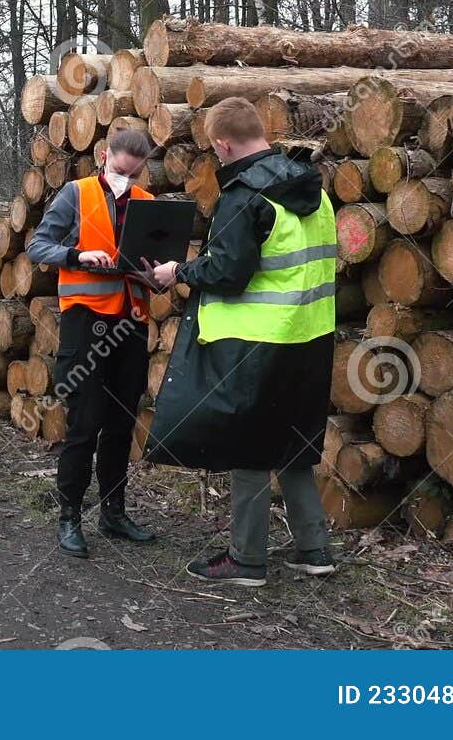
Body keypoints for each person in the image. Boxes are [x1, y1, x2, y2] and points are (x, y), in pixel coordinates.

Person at [145, 96, 339, 586]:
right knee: (293, 443)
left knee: (249, 445)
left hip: (254, 340)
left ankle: (246, 559)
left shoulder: (245, 194)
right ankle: (315, 549)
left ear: (222, 144)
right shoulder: (312, 189)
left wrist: (178, 271)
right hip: (310, 337)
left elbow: (228, 273)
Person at [26, 128, 161, 558]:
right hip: (86, 322)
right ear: (106, 156)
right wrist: (77, 255)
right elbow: (37, 247)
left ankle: (113, 512)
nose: (128, 178)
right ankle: (69, 516)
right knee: (84, 422)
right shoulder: (75, 193)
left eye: (135, 173)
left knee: (122, 421)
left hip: (132, 321)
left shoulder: (147, 204)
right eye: (122, 170)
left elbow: (153, 267)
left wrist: (155, 274)